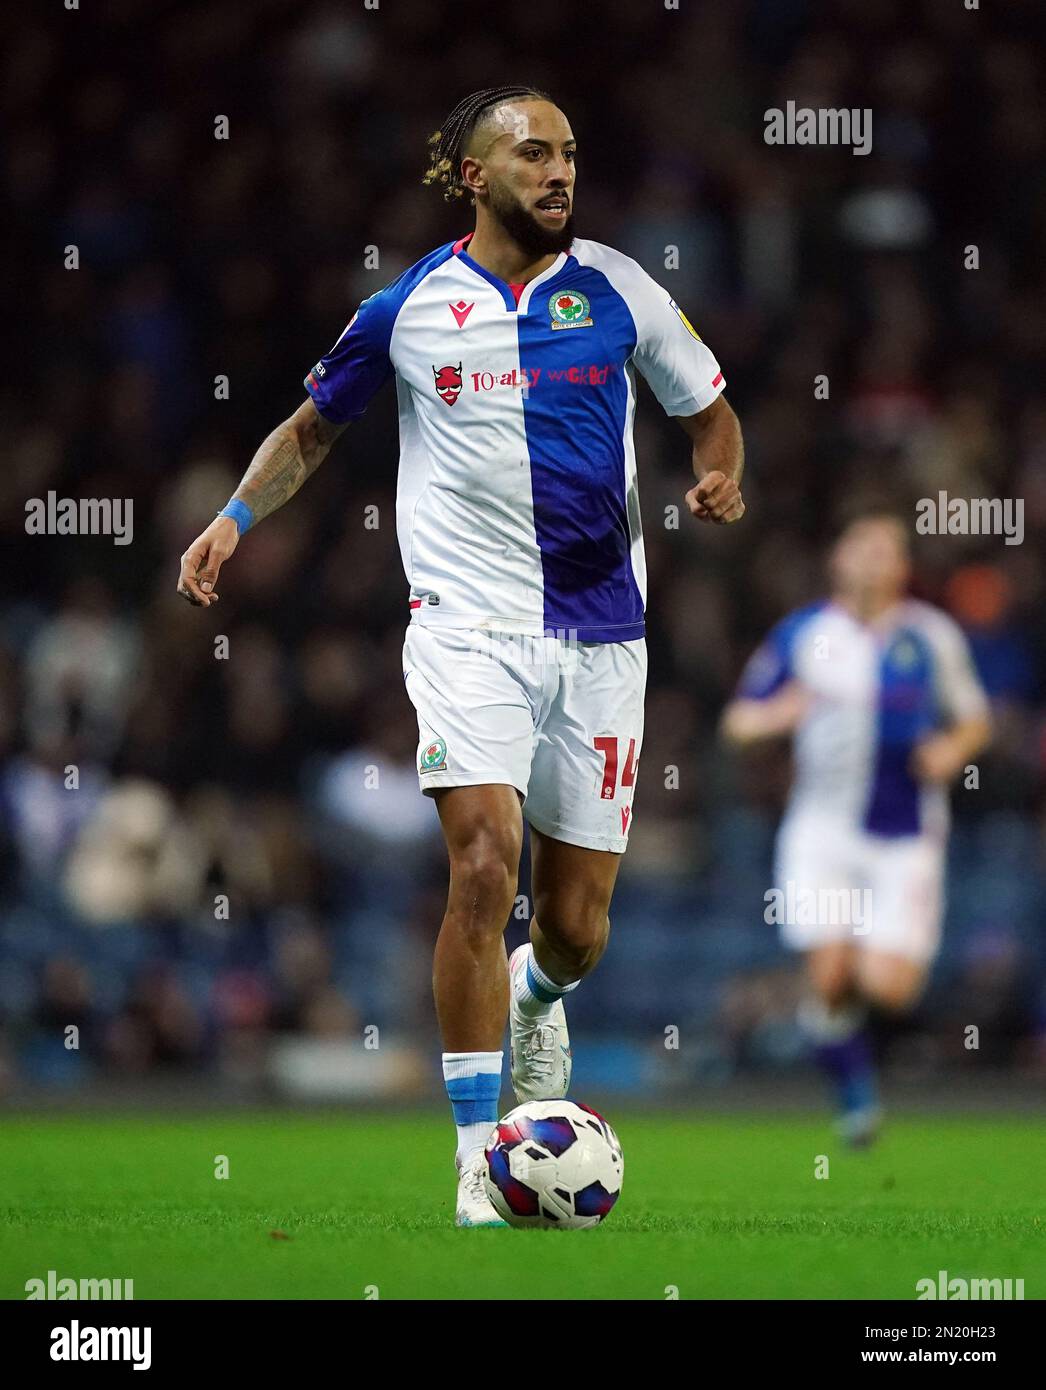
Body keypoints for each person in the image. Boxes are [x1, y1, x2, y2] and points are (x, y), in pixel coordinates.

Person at [178, 86, 744, 1222]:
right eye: (534, 151)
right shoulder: (408, 306)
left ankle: (537, 997)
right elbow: (309, 430)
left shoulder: (621, 290)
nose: (560, 170)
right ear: (473, 175)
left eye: (570, 153)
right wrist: (234, 519)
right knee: (482, 863)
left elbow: (710, 406)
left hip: (601, 637)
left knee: (576, 930)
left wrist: (721, 470)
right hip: (463, 628)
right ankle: (476, 1159)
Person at [721, 515, 990, 1144]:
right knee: (832, 973)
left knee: (888, 987)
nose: (872, 562)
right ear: (838, 561)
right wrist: (777, 716)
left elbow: (974, 719)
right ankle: (856, 1100)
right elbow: (737, 721)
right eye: (861, 549)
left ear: (902, 568)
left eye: (886, 552)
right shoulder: (806, 634)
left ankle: (812, 1021)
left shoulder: (931, 636)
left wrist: (953, 751)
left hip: (907, 834)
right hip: (823, 829)